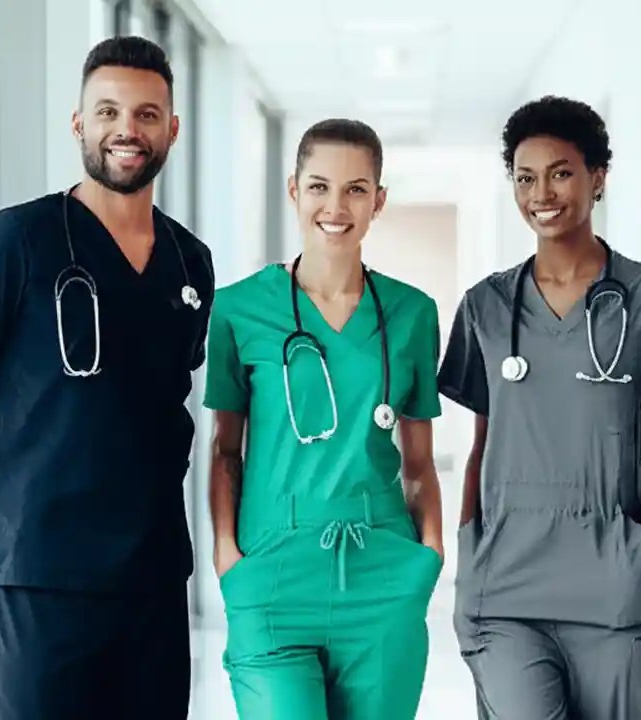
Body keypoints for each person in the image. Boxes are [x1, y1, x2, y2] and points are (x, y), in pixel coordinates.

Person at [0, 36, 213, 719]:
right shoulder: (17, 241)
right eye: (107, 112)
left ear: (172, 128)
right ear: (79, 124)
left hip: (152, 577)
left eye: (145, 114)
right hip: (39, 577)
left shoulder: (190, 264)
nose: (126, 130)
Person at [438, 96, 641, 719]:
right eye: (524, 178)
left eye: (559, 172)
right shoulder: (486, 307)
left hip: (612, 580)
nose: (541, 193)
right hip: (504, 584)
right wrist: (470, 549)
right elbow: (483, 443)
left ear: (597, 177)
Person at [205, 118, 445, 720]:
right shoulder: (238, 310)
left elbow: (418, 462)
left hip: (381, 575)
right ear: (294, 190)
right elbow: (223, 450)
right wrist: (227, 554)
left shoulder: (413, 314)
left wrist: (430, 556)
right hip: (270, 570)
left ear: (378, 201)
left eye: (356, 189)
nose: (335, 207)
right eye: (319, 187)